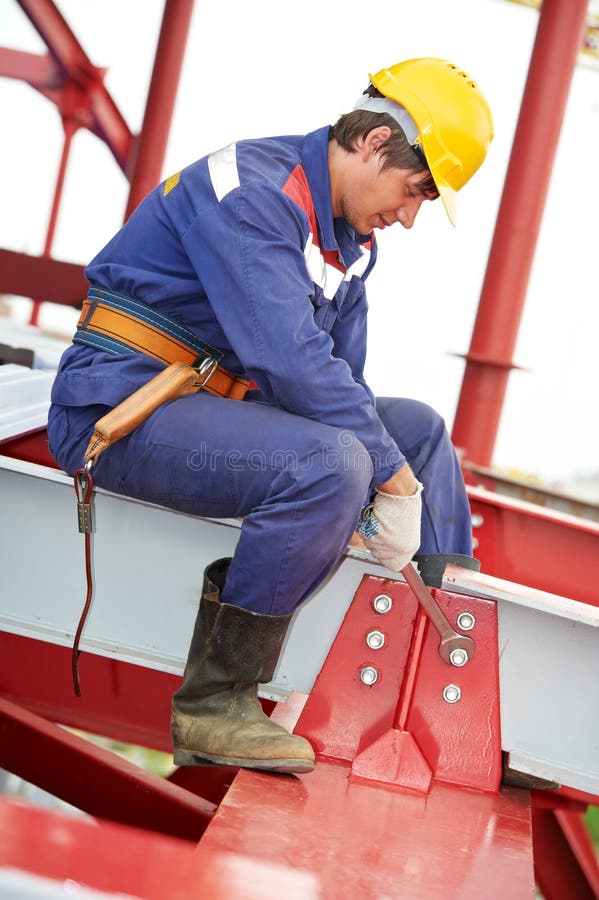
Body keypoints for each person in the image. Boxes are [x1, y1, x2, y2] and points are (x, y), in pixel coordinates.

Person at [47, 58, 493, 775]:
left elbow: (341, 385)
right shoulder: (251, 192)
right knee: (339, 464)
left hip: (211, 408)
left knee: (416, 431)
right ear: (374, 142)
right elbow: (288, 359)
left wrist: (397, 467)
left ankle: (449, 680)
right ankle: (214, 707)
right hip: (119, 408)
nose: (409, 216)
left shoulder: (346, 243)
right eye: (413, 191)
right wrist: (390, 482)